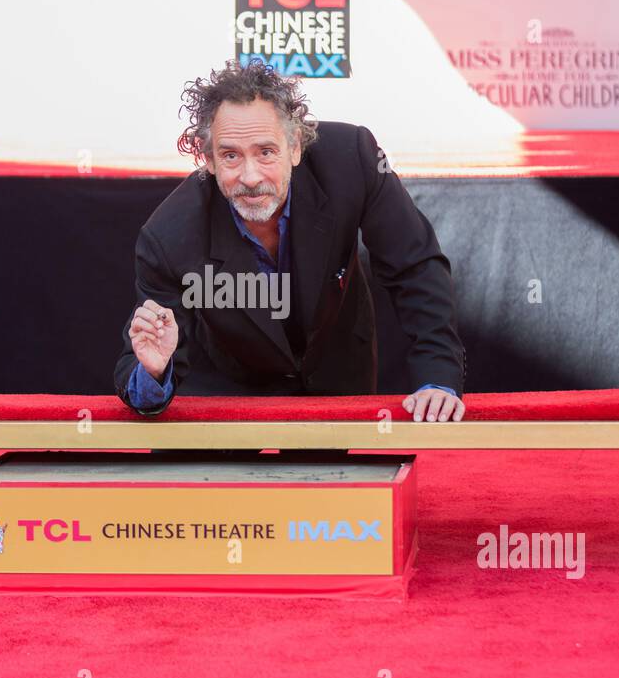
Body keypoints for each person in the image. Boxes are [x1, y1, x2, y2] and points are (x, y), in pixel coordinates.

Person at [113, 60, 467, 422]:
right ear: (209, 160)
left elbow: (414, 267)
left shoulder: (352, 158)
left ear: (295, 146)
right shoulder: (168, 236)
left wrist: (437, 378)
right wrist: (154, 373)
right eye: (231, 155)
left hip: (339, 379)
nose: (250, 177)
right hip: (231, 397)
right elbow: (139, 364)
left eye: (266, 152)